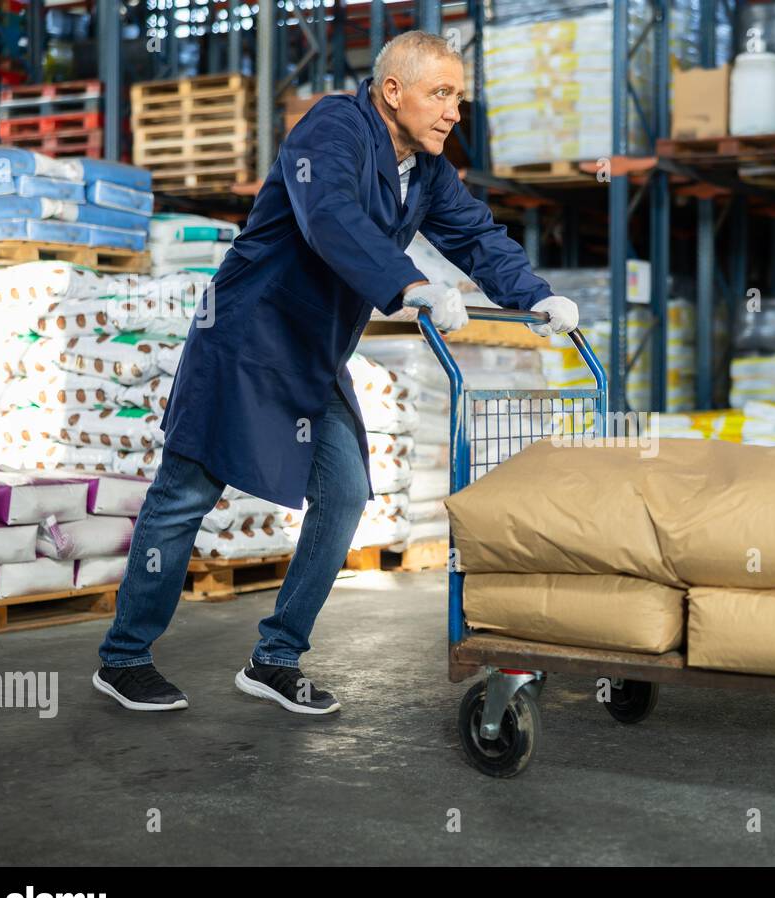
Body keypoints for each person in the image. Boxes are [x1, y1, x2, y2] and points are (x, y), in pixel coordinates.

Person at [93, 31, 579, 714]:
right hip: (246, 343)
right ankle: (124, 657)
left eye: (459, 99)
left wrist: (535, 293)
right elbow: (331, 218)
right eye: (440, 94)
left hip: (314, 357)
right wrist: (407, 287)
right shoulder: (332, 129)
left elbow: (475, 235)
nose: (453, 113)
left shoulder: (427, 170)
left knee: (346, 493)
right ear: (392, 92)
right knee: (185, 493)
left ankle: (276, 657)